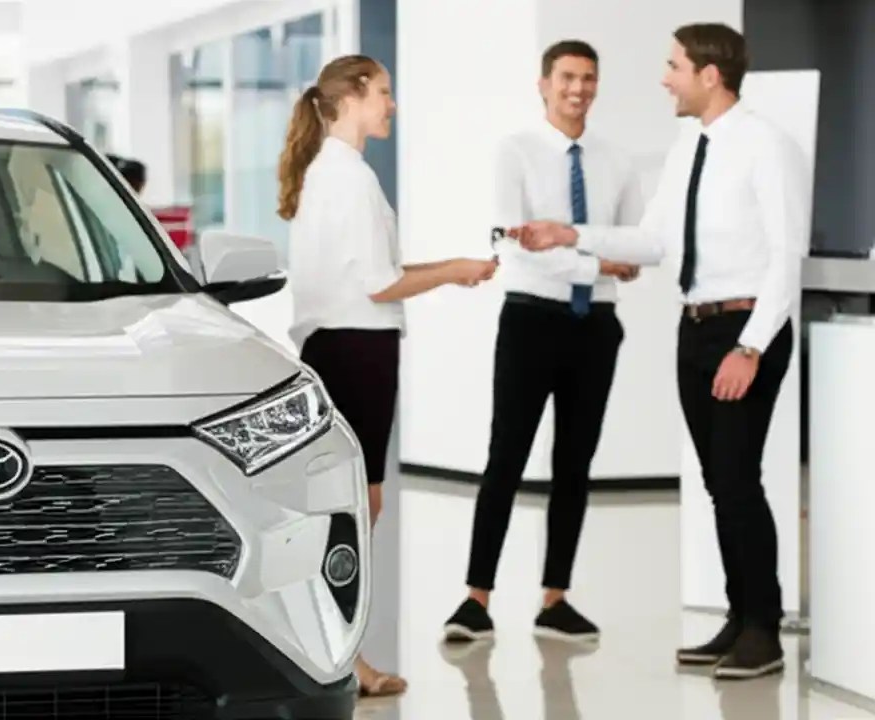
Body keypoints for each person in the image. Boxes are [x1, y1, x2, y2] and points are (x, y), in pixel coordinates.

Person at [509, 23, 807, 680]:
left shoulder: (767, 145)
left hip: (744, 329)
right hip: (694, 328)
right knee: (718, 484)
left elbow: (788, 257)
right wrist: (570, 233)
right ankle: (739, 618)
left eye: (674, 66)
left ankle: (763, 631)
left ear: (709, 75)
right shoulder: (687, 149)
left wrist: (751, 347)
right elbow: (651, 242)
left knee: (737, 480)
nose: (665, 79)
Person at [278, 54, 498, 697]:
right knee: (355, 508)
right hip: (358, 350)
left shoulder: (328, 173)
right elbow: (380, 285)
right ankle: (340, 655)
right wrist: (454, 271)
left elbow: (374, 275)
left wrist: (452, 267)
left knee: (349, 506)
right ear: (351, 97)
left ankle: (335, 650)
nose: (391, 104)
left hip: (340, 346)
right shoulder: (349, 177)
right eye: (383, 92)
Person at [442, 40, 645, 646]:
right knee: (506, 456)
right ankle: (475, 600)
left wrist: (576, 247)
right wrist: (599, 259)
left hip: (596, 326)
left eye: (588, 78)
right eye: (566, 77)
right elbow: (514, 247)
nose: (577, 88)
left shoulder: (618, 160)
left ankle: (556, 599)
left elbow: (636, 248)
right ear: (543, 84)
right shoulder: (516, 152)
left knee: (575, 462)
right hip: (530, 320)